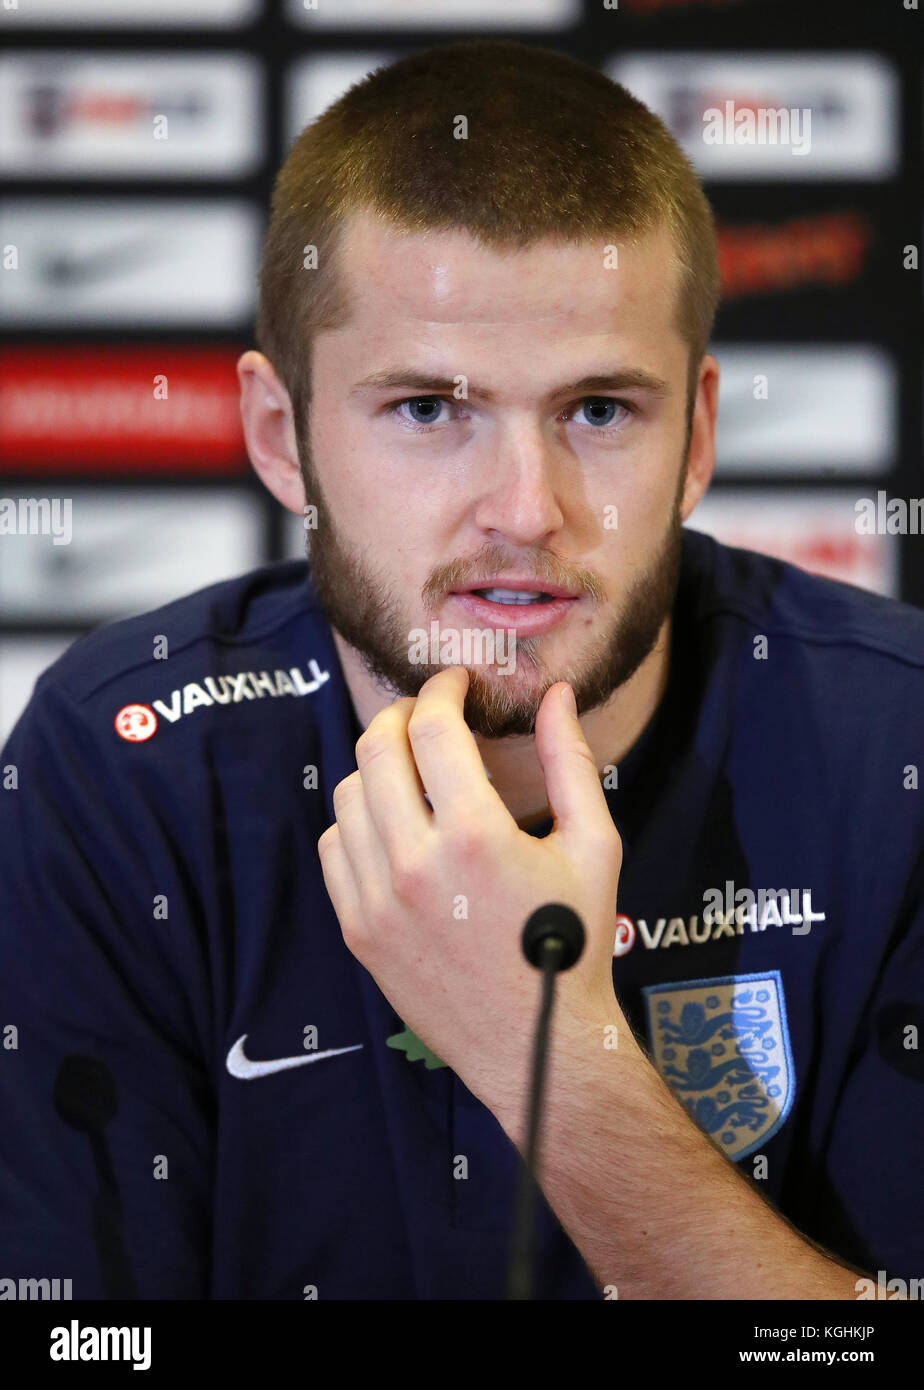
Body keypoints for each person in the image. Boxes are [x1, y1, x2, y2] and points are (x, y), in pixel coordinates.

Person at [1, 38, 922, 1302]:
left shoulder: (895, 749)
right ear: (283, 440)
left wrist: (550, 1050)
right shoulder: (117, 765)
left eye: (600, 409)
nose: (525, 510)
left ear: (698, 436)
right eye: (430, 409)